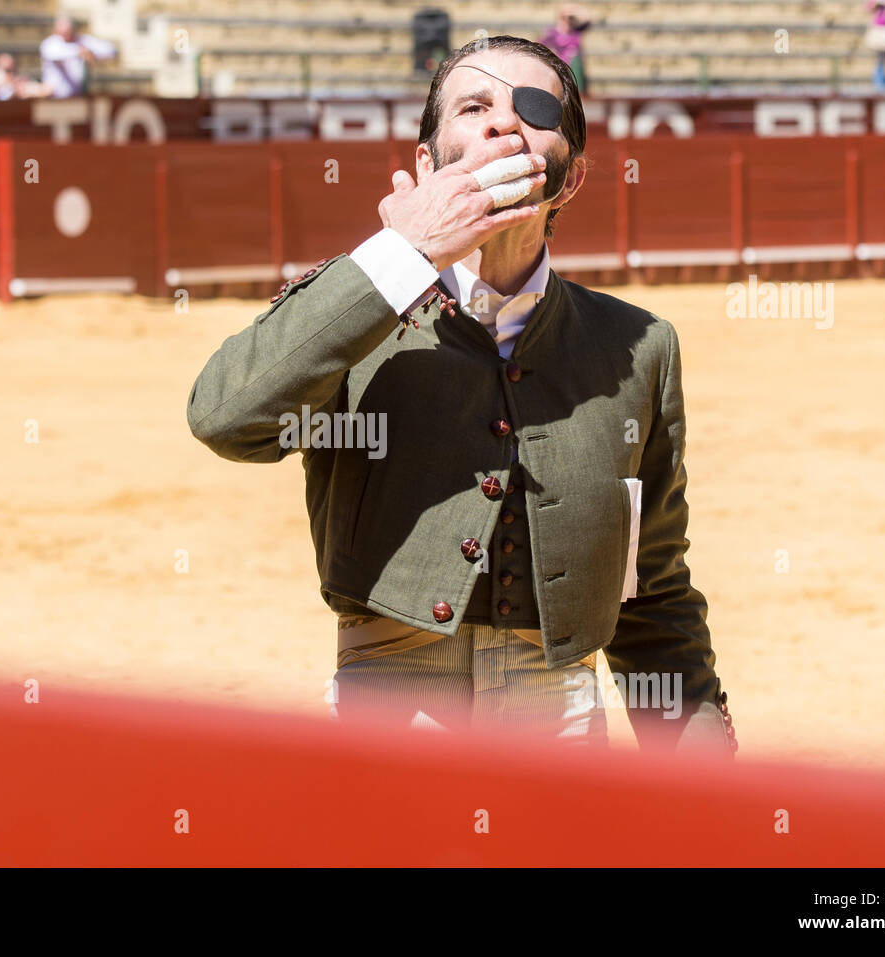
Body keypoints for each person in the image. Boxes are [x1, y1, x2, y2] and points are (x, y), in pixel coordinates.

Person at [187, 35, 736, 755]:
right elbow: (227, 417)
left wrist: (703, 769)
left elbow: (651, 592)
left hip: (561, 716)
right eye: (475, 106)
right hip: (389, 701)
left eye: (534, 111)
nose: (505, 123)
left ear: (568, 180)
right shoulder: (360, 309)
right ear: (426, 164)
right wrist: (404, 253)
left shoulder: (636, 346)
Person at [39, 15, 116, 98]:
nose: (65, 36)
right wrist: (81, 52)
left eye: (68, 32)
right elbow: (54, 54)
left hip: (78, 96)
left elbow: (110, 50)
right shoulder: (50, 43)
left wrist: (91, 53)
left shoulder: (83, 40)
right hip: (54, 98)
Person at [540, 4, 592, 96]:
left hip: (575, 66)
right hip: (562, 66)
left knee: (577, 95)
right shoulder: (553, 32)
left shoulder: (575, 30)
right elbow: (543, 45)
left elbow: (588, 21)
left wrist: (576, 11)